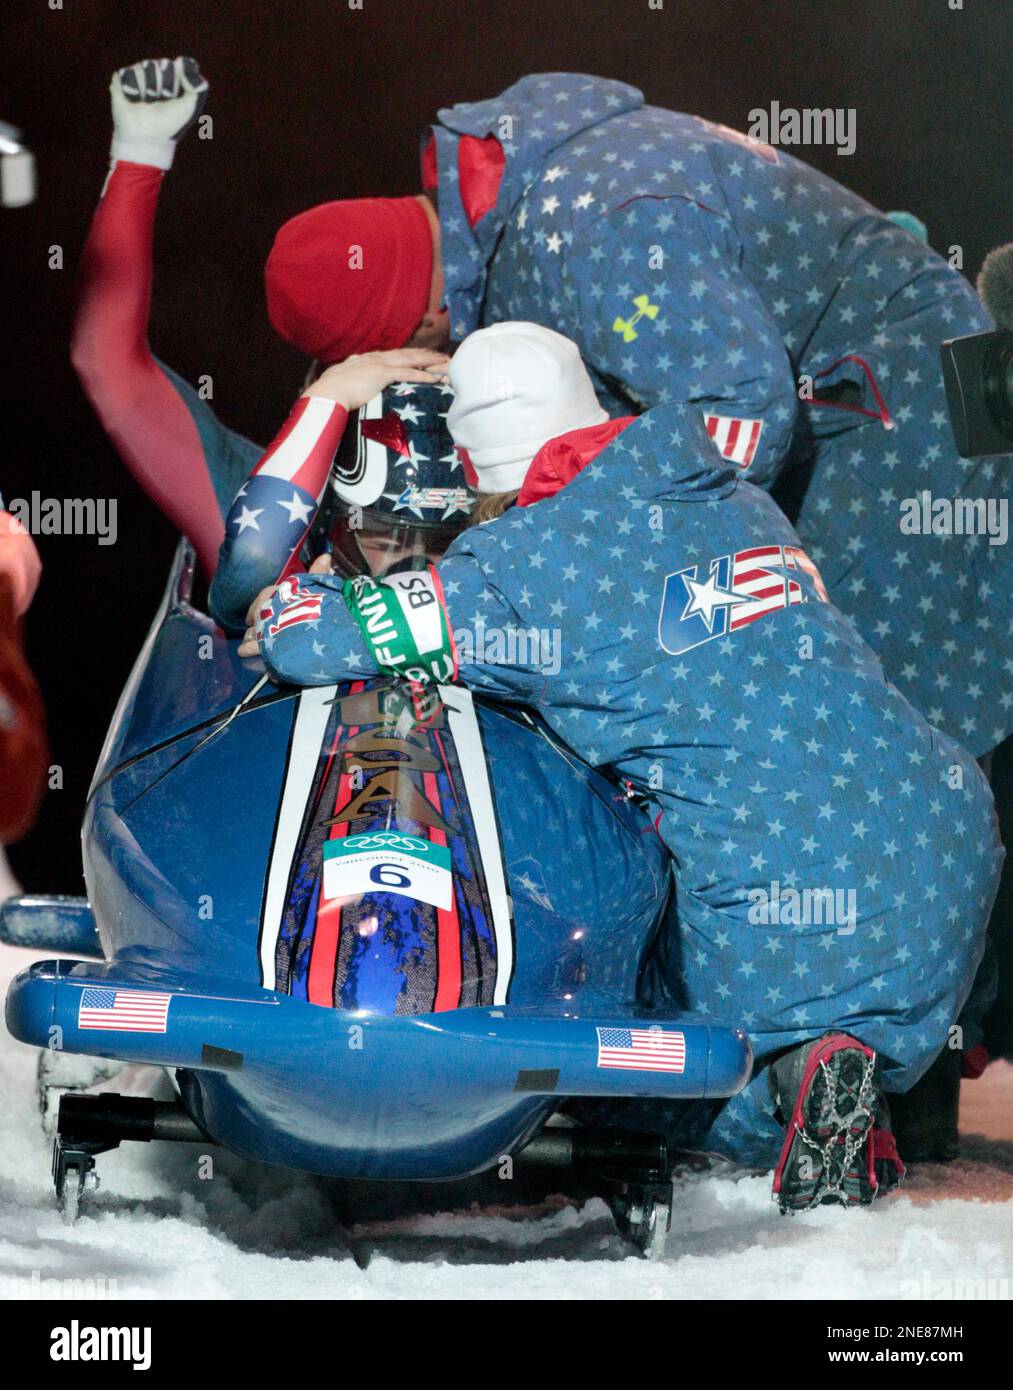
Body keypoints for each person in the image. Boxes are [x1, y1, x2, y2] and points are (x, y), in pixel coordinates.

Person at [243, 322, 1003, 1211]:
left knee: (642, 1089)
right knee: (842, 990)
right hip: (949, 833)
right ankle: (847, 1075)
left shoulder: (525, 567)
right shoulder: (731, 493)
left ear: (483, 474)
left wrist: (293, 595)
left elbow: (311, 643)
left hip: (785, 877)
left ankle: (790, 1082)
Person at [264, 72, 1012, 765]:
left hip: (899, 431)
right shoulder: (534, 185)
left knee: (876, 742)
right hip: (879, 396)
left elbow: (741, 412)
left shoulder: (598, 238)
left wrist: (596, 551)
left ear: (422, 325)